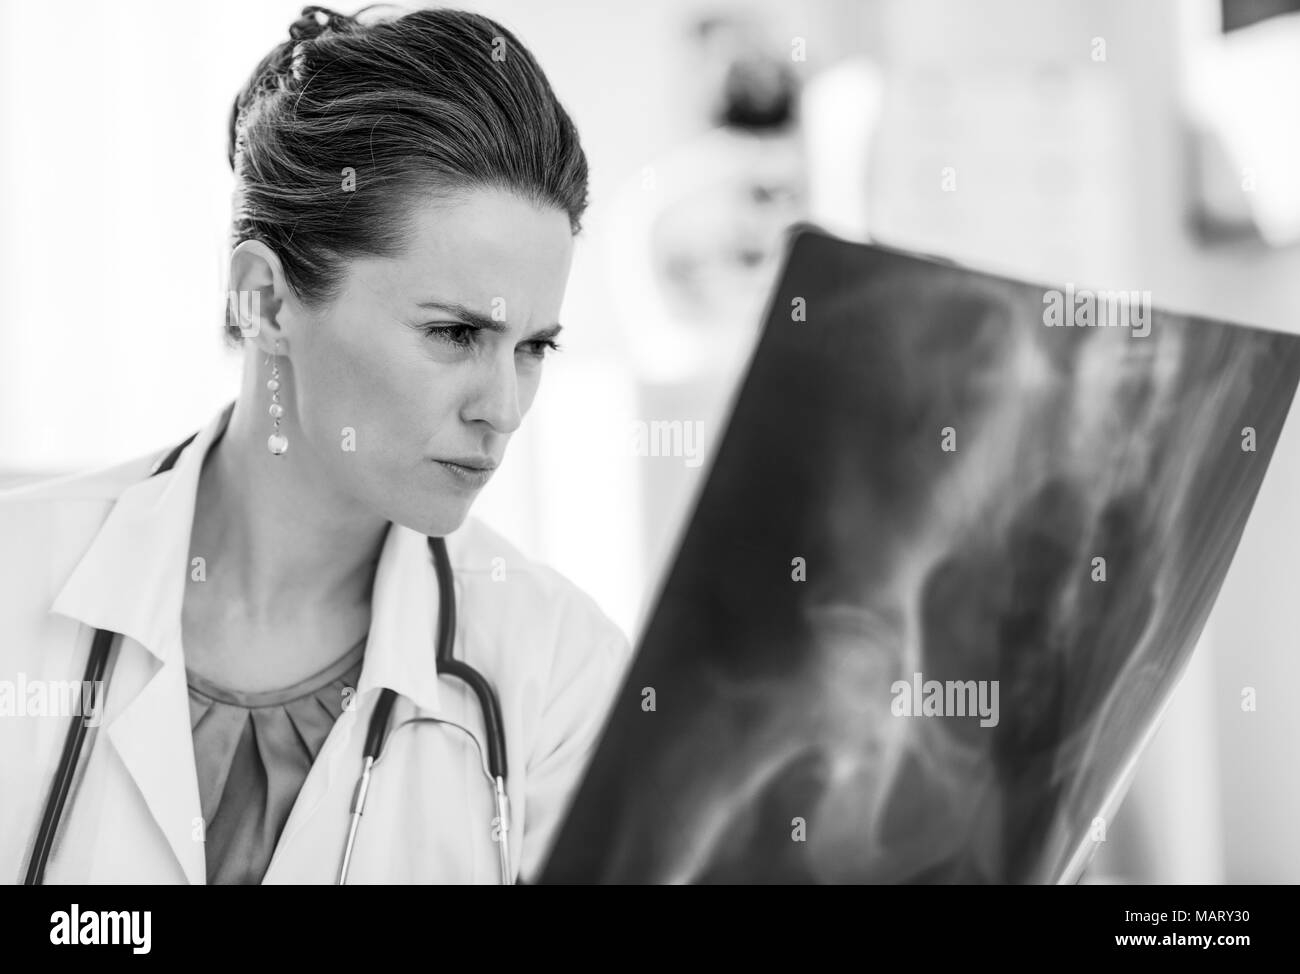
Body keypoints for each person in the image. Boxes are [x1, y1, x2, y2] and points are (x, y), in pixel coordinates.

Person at [0, 4, 631, 884]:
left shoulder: (559, 673)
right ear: (265, 299)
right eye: (453, 334)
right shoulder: (13, 579)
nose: (505, 408)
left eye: (534, 347)